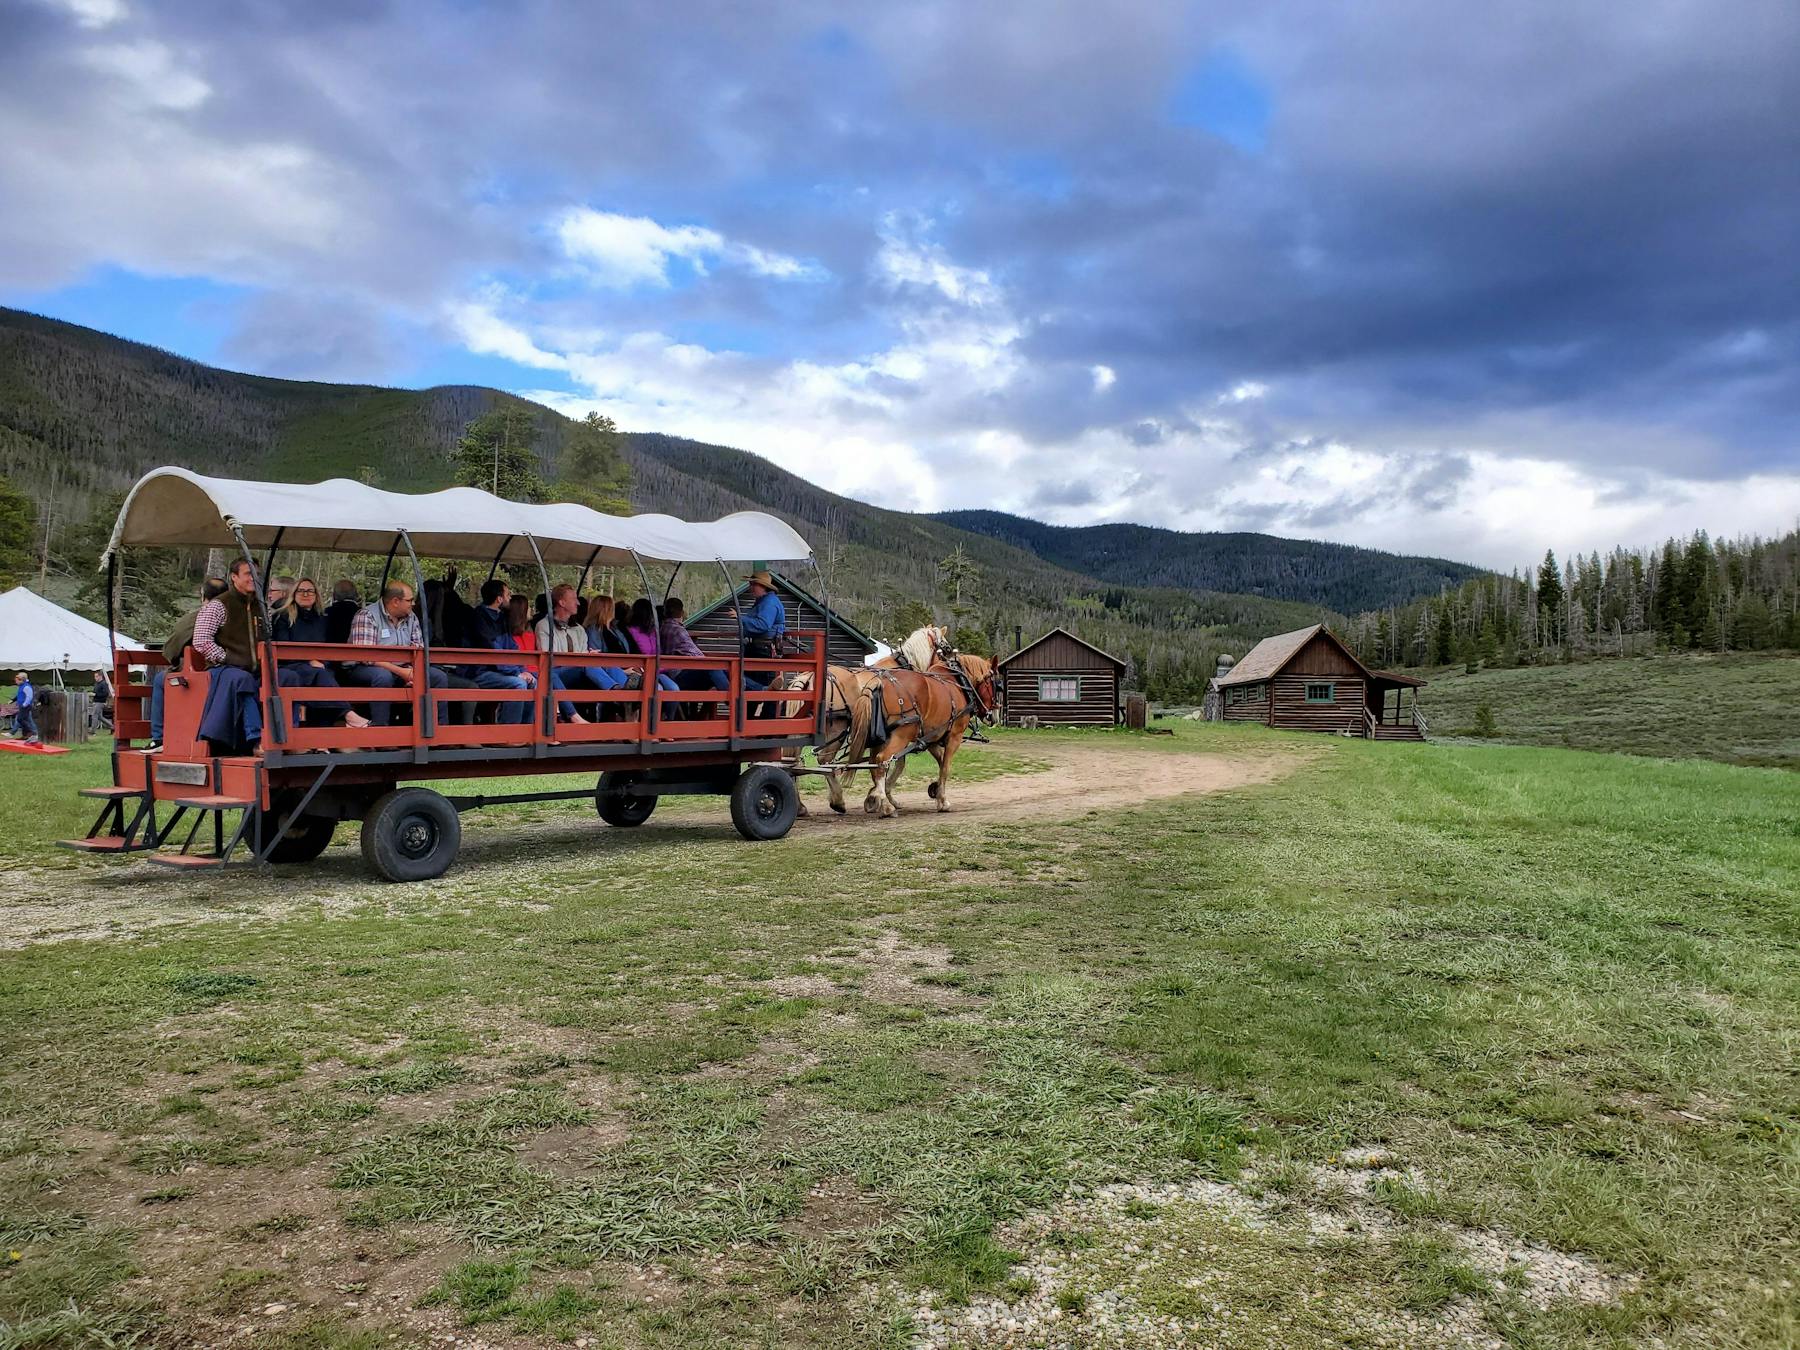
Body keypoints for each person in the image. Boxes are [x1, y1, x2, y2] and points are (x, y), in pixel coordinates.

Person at [339, 581, 473, 727]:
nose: (413, 603)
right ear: (395, 601)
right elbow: (366, 657)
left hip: (404, 668)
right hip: (364, 668)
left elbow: (418, 649)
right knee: (382, 676)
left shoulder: (411, 617)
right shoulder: (367, 615)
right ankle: (380, 731)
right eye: (409, 600)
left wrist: (413, 671)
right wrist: (403, 672)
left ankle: (439, 731)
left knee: (437, 677)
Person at [192, 558, 268, 751]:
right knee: (242, 679)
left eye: (256, 574)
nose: (254, 578)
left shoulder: (261, 607)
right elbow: (201, 640)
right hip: (222, 670)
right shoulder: (220, 605)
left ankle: (291, 739)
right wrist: (225, 657)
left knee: (287, 677)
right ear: (234, 577)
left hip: (256, 669)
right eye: (248, 574)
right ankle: (256, 738)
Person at [271, 579, 369, 729]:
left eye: (310, 591)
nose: (306, 594)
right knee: (321, 676)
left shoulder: (323, 619)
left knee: (327, 676)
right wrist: (309, 661)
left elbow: (328, 646)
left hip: (319, 666)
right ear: (294, 594)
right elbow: (283, 649)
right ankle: (348, 714)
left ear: (316, 595)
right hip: (291, 666)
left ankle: (323, 740)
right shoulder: (283, 617)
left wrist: (320, 662)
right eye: (301, 590)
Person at [150, 576, 226, 749]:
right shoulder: (234, 616)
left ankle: (159, 736)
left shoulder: (194, 618)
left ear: (202, 595)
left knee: (161, 680)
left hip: (197, 674)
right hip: (225, 670)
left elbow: (171, 650)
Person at [536, 583, 628, 724]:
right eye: (573, 599)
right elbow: (551, 658)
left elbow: (581, 654)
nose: (578, 603)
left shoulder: (578, 629)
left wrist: (586, 657)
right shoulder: (544, 626)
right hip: (557, 674)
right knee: (588, 663)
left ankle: (627, 694)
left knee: (604, 663)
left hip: (579, 670)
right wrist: (583, 657)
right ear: (562, 602)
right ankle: (618, 694)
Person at [467, 578, 535, 725]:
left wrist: (523, 670)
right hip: (480, 671)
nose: (510, 598)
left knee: (533, 682)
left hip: (499, 670)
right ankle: (509, 732)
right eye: (508, 595)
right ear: (499, 599)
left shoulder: (501, 618)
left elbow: (512, 648)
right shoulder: (479, 618)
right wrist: (516, 672)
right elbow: (493, 651)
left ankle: (526, 730)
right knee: (518, 684)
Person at [739, 571, 786, 711]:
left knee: (760, 688)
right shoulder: (763, 602)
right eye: (751, 584)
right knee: (751, 685)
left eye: (754, 584)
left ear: (763, 586)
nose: (751, 587)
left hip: (764, 651)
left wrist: (740, 618)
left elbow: (762, 625)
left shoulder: (770, 603)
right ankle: (752, 724)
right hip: (757, 649)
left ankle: (762, 727)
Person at [661, 597, 730, 693]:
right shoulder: (677, 630)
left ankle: (745, 692)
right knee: (714, 668)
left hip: (671, 673)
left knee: (721, 672)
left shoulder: (664, 627)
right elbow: (696, 655)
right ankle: (734, 699)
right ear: (681, 612)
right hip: (678, 675)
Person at [625, 597, 681, 693]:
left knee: (673, 689)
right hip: (643, 671)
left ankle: (667, 708)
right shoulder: (631, 631)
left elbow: (658, 652)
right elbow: (639, 651)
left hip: (659, 670)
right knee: (657, 690)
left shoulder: (653, 632)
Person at [324, 579, 360, 644]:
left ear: (334, 595)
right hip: (355, 653)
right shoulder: (363, 614)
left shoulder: (324, 614)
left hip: (327, 652)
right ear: (356, 595)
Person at [11, 672, 39, 744]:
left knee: (20, 719)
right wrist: (13, 700)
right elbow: (19, 695)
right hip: (22, 706)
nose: (16, 682)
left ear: (21, 680)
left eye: (17, 680)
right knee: (27, 720)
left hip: (25, 706)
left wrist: (24, 704)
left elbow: (29, 696)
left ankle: (32, 733)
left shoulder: (26, 687)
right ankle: (29, 734)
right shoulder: (22, 686)